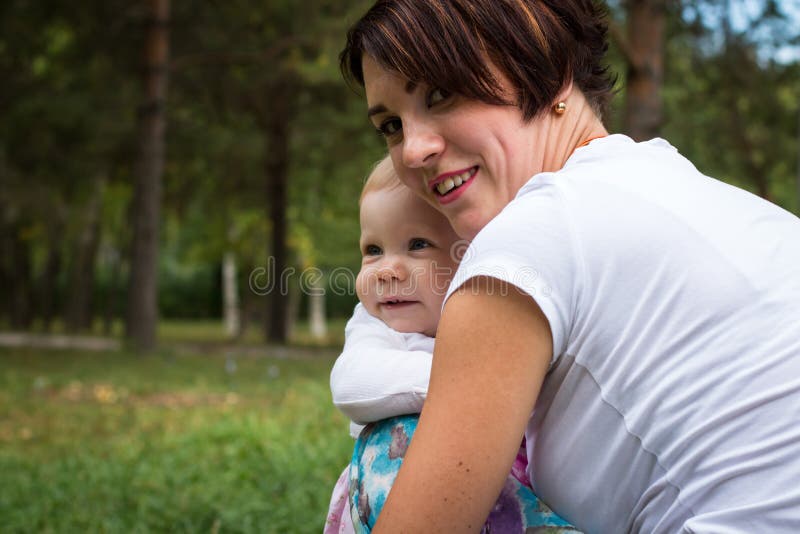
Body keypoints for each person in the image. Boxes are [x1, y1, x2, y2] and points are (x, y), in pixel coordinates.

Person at [336, 0, 800, 532]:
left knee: (391, 447)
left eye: (441, 93)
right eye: (391, 125)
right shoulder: (704, 199)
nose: (413, 150)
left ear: (546, 67)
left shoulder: (525, 241)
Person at [324, 156, 576, 533]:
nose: (386, 269)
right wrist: (481, 385)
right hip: (401, 491)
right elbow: (352, 385)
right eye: (373, 250)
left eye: (417, 245)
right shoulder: (374, 323)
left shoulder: (496, 312)